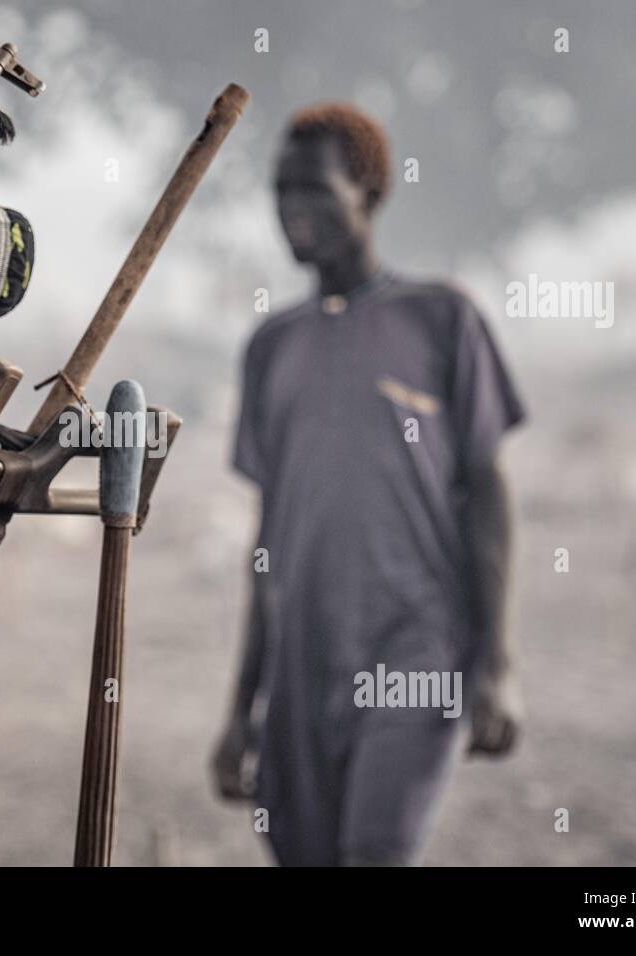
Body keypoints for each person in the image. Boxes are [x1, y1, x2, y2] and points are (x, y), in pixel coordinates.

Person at [212, 102, 524, 866]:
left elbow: (486, 495)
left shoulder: (442, 320)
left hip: (416, 650)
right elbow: (269, 539)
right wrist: (241, 706)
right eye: (281, 190)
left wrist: (494, 662)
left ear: (370, 192)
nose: (293, 210)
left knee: (376, 852)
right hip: (300, 665)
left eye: (314, 190)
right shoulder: (271, 348)